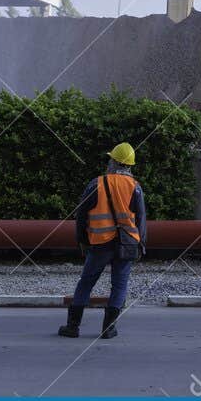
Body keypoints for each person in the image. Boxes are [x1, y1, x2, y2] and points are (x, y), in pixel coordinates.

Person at [58, 141, 147, 340]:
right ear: (130, 165)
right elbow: (141, 218)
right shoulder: (135, 187)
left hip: (100, 243)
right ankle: (108, 329)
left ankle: (73, 327)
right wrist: (141, 245)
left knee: (86, 283)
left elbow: (81, 214)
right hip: (127, 243)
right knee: (119, 285)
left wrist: (81, 239)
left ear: (114, 161)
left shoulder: (97, 183)